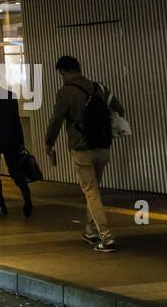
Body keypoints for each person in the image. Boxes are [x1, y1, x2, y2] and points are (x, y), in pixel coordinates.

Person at [45, 55, 124, 252]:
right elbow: (119, 109)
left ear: (64, 72)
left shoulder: (66, 92)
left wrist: (48, 143)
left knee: (91, 193)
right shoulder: (100, 87)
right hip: (103, 147)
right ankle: (91, 231)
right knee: (94, 191)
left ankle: (106, 238)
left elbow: (57, 120)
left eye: (61, 74)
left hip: (82, 149)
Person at [0, 66, 33, 217]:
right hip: (11, 139)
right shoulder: (10, 95)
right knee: (15, 170)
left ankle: (0, 204)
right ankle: (27, 198)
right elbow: (16, 120)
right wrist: (20, 140)